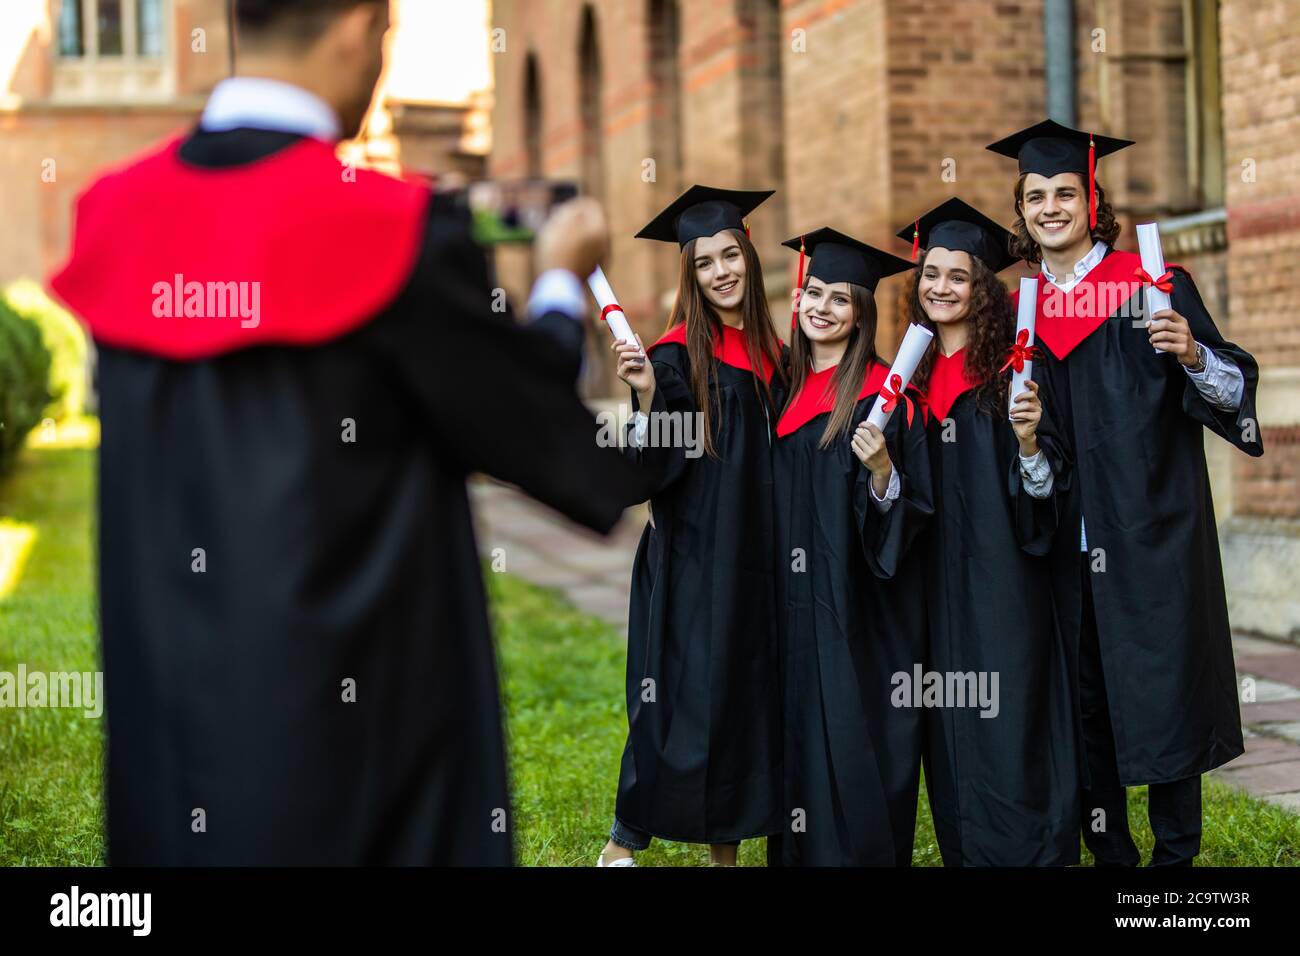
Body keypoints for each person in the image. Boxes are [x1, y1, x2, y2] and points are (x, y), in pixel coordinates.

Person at [47, 0, 652, 866]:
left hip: (179, 760)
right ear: (358, 26)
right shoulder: (394, 228)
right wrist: (560, 280)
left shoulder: (117, 215)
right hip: (371, 766)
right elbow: (556, 447)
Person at [986, 119, 1265, 866]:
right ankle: (1115, 864)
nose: (1051, 208)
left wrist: (1193, 349)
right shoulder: (1026, 317)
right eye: (1036, 196)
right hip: (1073, 548)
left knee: (1168, 694)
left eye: (1065, 193)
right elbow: (1036, 460)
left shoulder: (1154, 289)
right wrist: (1027, 440)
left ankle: (1174, 868)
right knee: (1089, 712)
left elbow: (1233, 387)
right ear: (1022, 209)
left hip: (1155, 536)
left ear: (1092, 200)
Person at [600, 186, 787, 867]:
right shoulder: (675, 357)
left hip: (763, 563)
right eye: (705, 263)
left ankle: (725, 858)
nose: (721, 272)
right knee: (680, 706)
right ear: (692, 275)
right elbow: (652, 467)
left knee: (744, 704)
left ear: (748, 256)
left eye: (730, 255)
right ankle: (622, 844)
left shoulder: (778, 357)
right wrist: (647, 395)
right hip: (697, 561)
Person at [896, 198, 1078, 866]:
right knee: (949, 727)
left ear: (983, 290)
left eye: (958, 275)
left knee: (1011, 720)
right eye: (931, 274)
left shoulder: (1013, 378)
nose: (941, 286)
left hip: (1006, 586)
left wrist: (1029, 443)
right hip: (931, 592)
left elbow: (1047, 491)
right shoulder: (906, 382)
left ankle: (1032, 852)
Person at [769, 228, 930, 866]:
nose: (823, 308)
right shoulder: (779, 391)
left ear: (861, 314)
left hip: (859, 612)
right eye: (814, 292)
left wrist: (885, 470)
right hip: (790, 605)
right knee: (798, 737)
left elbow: (911, 517)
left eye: (841, 298)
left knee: (855, 738)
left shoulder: (883, 399)